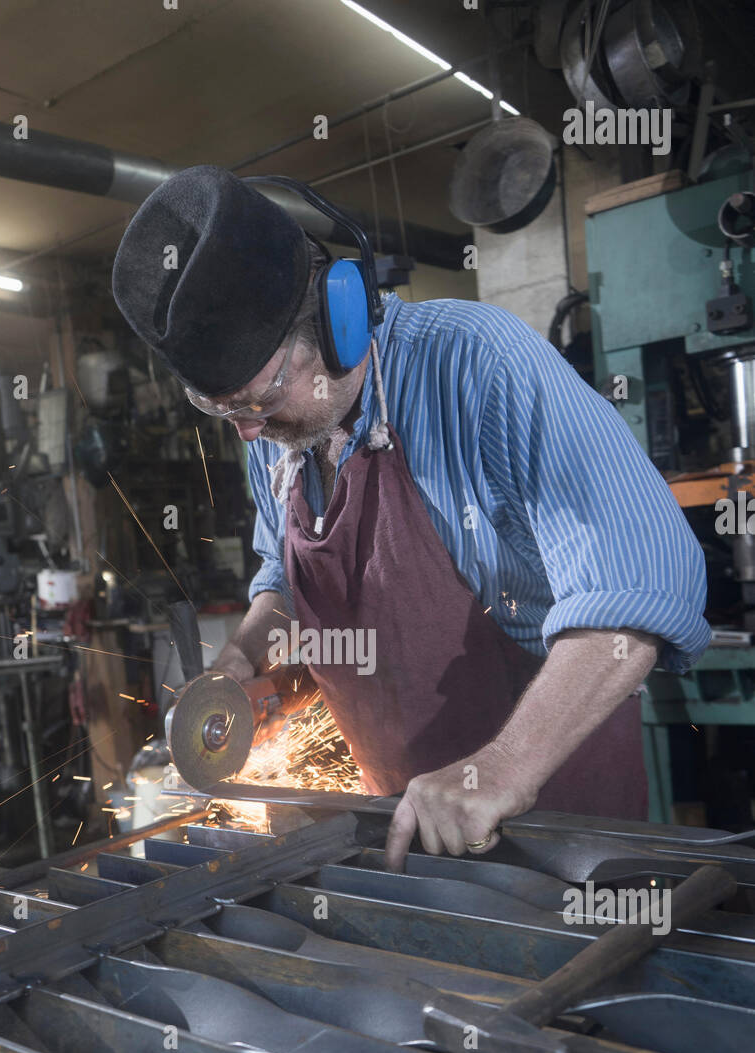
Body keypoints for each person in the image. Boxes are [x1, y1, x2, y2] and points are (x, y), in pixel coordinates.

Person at [112, 165, 710, 870]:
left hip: (555, 828)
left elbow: (642, 584)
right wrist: (247, 652)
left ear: (339, 322)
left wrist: (504, 767)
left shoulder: (477, 364)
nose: (245, 430)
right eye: (221, 410)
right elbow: (283, 577)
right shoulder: (278, 433)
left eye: (259, 398)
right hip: (400, 832)